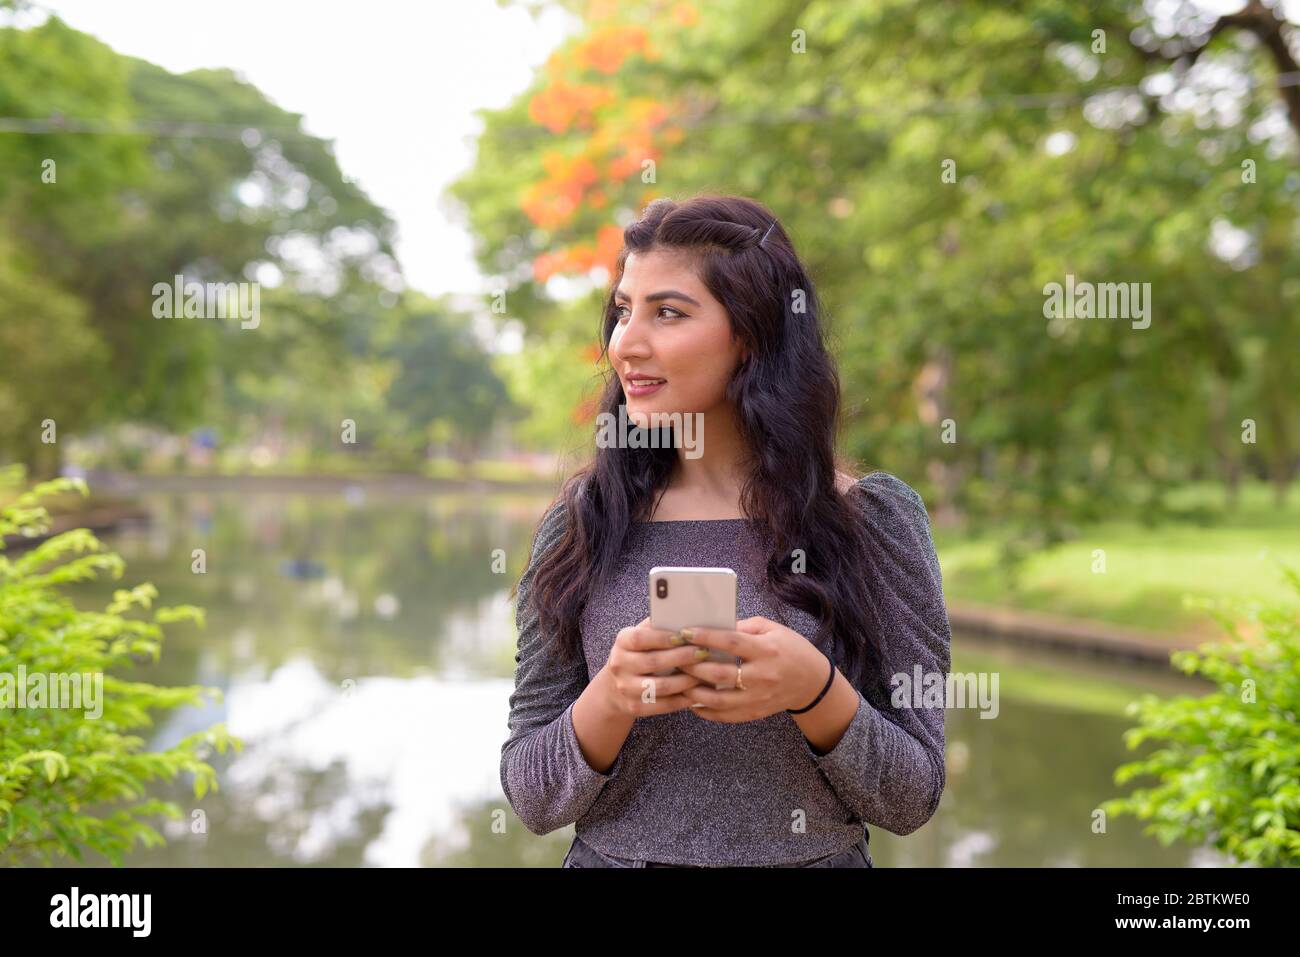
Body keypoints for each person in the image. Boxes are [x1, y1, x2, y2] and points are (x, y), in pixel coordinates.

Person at [501, 193, 951, 867]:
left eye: (668, 312)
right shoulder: (585, 523)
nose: (627, 342)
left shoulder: (873, 521)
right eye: (624, 311)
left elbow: (912, 797)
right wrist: (612, 697)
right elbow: (533, 796)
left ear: (753, 334)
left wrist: (814, 689)